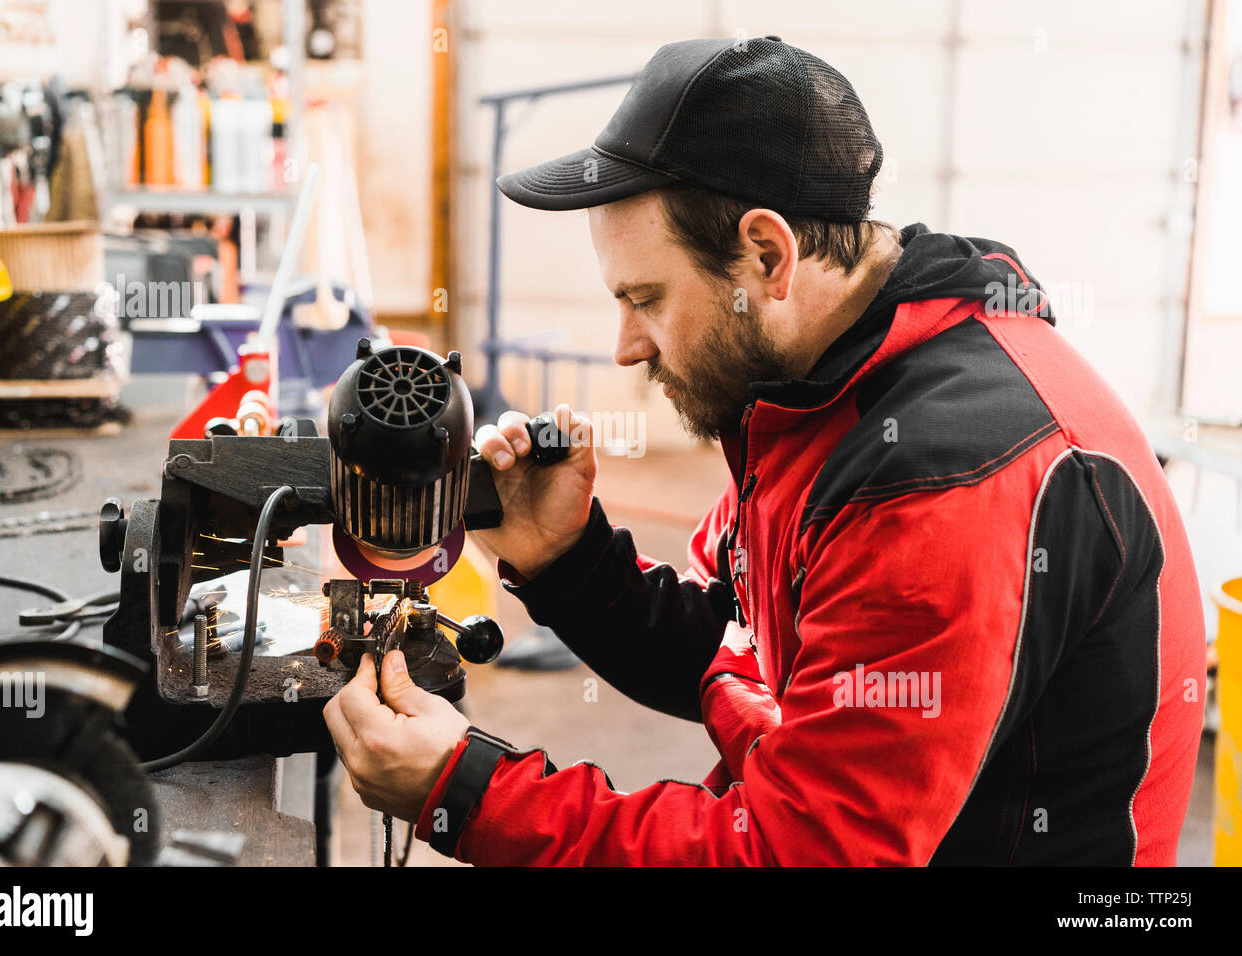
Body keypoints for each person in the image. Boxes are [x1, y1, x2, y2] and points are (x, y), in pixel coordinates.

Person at [324, 35, 1206, 865]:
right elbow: (750, 655)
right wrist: (570, 562)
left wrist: (465, 791)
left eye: (647, 298)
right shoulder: (828, 384)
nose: (627, 346)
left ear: (766, 254)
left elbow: (795, 853)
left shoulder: (940, 481)